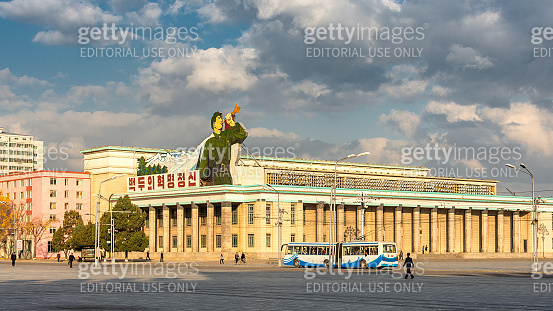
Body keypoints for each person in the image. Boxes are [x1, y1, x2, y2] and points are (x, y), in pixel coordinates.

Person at [199, 111, 247, 185]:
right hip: (213, 177)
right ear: (214, 124)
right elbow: (204, 162)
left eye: (221, 118)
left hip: (226, 175)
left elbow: (242, 134)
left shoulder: (226, 136)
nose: (221, 120)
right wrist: (204, 179)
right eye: (219, 119)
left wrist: (232, 123)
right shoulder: (209, 142)